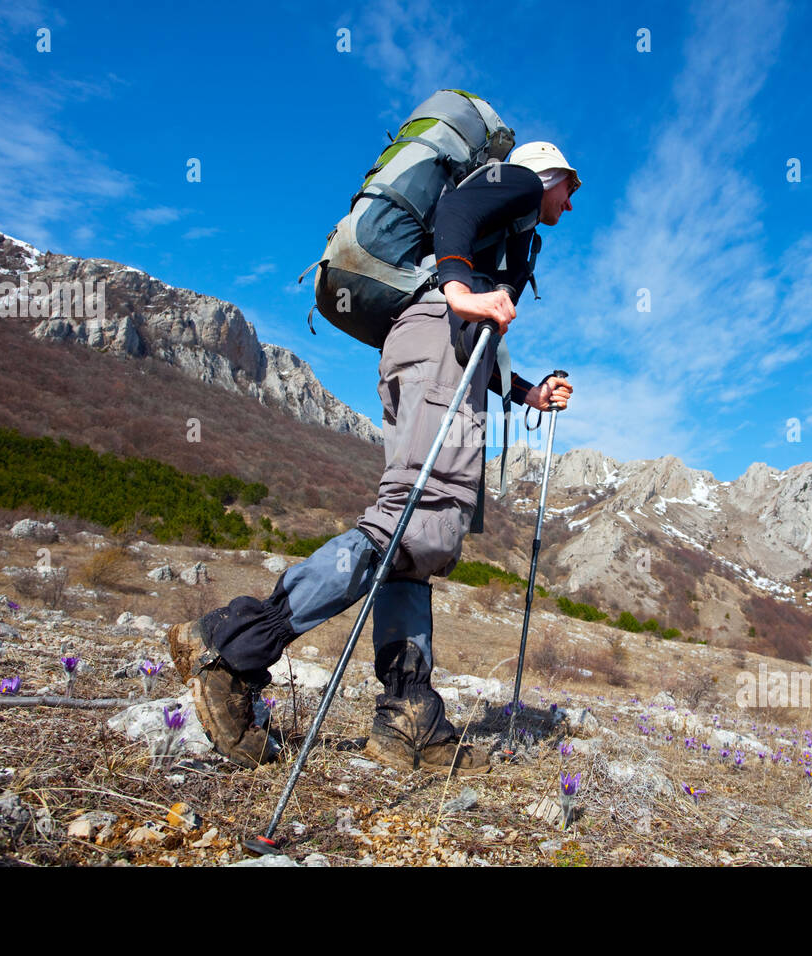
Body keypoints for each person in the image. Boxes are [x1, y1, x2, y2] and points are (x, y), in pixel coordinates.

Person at [168, 142, 579, 773]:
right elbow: (458, 214)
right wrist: (458, 288)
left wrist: (526, 391)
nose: (569, 202)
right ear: (548, 174)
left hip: (429, 347)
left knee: (420, 538)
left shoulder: (514, 232)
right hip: (436, 344)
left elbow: (475, 338)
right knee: (414, 521)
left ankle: (409, 715)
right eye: (569, 186)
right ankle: (233, 648)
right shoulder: (519, 183)